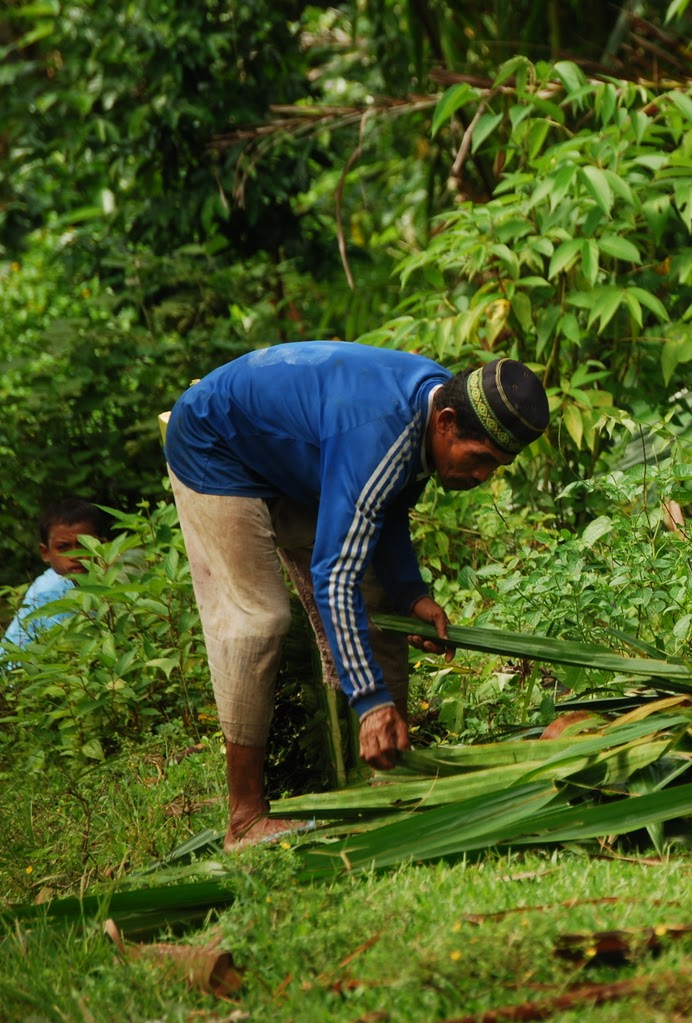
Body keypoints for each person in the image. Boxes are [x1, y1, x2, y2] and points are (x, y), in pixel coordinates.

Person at [163, 341, 550, 850]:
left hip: (291, 453)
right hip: (216, 442)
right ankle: (246, 817)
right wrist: (370, 701)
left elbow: (386, 506)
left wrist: (411, 592)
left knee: (381, 598)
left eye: (495, 467)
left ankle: (391, 779)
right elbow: (334, 575)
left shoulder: (431, 403)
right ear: (447, 422)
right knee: (258, 622)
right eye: (478, 459)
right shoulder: (382, 431)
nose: (481, 477)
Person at [3, 498, 111, 651]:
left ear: (102, 545)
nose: (75, 555)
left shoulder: (117, 579)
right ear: (45, 553)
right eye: (63, 547)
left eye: (84, 545)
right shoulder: (47, 590)